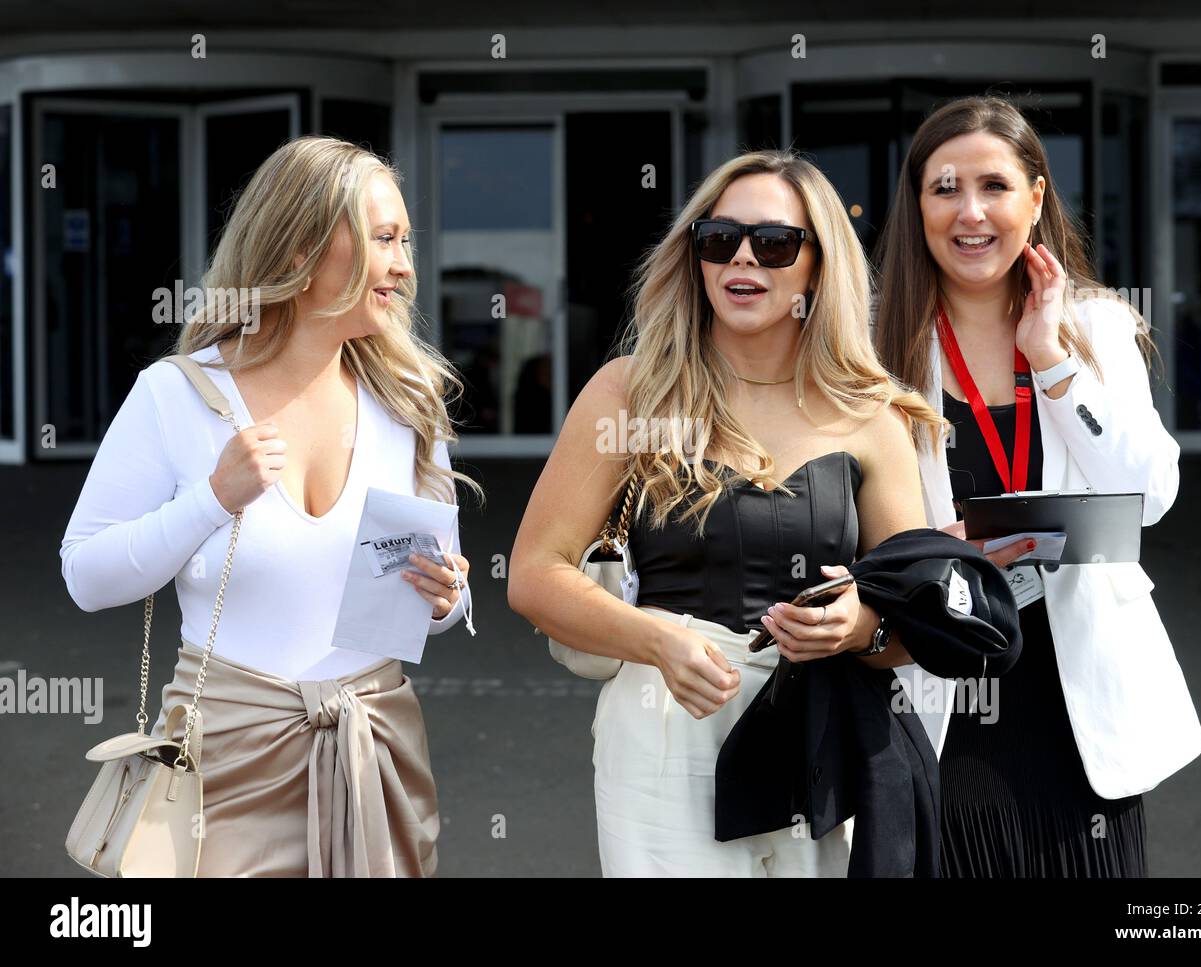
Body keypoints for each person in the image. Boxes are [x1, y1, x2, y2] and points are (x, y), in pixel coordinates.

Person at [508, 148, 947, 876]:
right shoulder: (630, 394)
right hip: (665, 728)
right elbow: (532, 572)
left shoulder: (870, 415)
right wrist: (655, 640)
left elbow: (915, 617)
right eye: (719, 238)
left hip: (820, 732)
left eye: (773, 242)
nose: (743, 257)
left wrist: (856, 625)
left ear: (818, 264)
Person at [60, 135, 479, 877]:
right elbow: (86, 576)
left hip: (374, 757)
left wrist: (448, 596)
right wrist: (213, 499)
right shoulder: (177, 395)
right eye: (384, 239)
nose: (406, 267)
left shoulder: (410, 404)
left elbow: (433, 601)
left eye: (406, 241)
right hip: (222, 765)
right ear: (298, 250)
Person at [872, 95, 1201, 877]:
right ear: (917, 205)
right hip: (940, 689)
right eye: (944, 188)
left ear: (1036, 197)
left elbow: (1150, 493)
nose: (971, 212)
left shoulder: (1097, 326)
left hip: (1078, 699)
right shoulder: (876, 340)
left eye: (994, 185)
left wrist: (1051, 360)